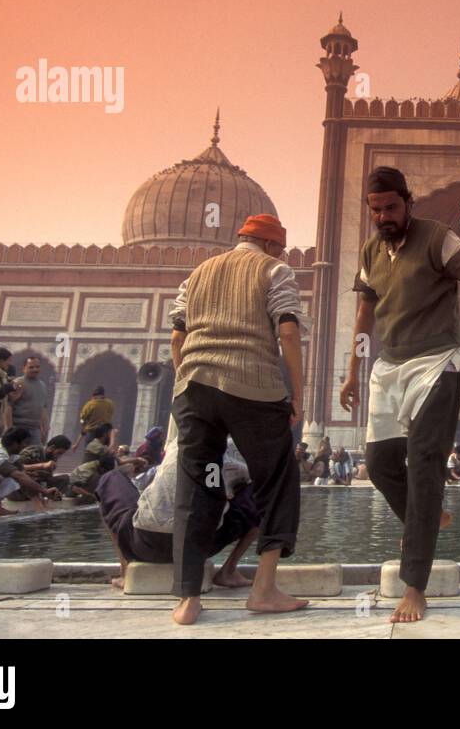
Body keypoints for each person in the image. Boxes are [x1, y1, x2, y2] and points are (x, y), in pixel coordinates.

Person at [341, 166, 460, 623]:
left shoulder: (438, 237)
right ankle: (427, 518)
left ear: (409, 202)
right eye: (376, 209)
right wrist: (352, 371)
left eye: (391, 206)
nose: (384, 215)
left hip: (439, 363)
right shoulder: (372, 251)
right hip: (390, 367)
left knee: (425, 462)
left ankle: (416, 586)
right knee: (379, 463)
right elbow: (363, 317)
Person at [168, 212, 307, 625]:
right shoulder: (274, 269)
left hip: (195, 388)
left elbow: (178, 335)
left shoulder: (199, 272)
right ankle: (264, 590)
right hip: (253, 390)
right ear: (272, 245)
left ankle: (189, 599)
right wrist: (296, 392)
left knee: (197, 487)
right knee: (277, 482)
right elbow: (287, 331)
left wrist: (186, 377)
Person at [98, 421, 259, 591]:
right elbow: (234, 482)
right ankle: (228, 570)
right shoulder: (231, 452)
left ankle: (125, 572)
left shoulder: (178, 442)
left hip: (144, 542)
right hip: (203, 545)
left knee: (109, 479)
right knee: (261, 492)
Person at [0, 427, 62, 515]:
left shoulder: (8, 448)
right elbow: (19, 476)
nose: (26, 446)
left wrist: (42, 492)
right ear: (15, 443)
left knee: (19, 476)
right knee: (16, 476)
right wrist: (44, 491)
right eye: (25, 443)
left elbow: (22, 472)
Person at [9, 355, 49, 447]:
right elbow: (8, 407)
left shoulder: (42, 386)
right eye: (31, 367)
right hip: (18, 427)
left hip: (35, 429)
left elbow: (43, 408)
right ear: (24, 368)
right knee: (16, 455)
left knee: (34, 455)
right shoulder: (18, 383)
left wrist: (45, 427)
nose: (35, 369)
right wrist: (9, 429)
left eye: (37, 367)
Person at [73, 387, 115, 451]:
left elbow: (82, 418)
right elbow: (111, 414)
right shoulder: (110, 403)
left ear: (94, 395)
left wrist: (83, 423)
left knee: (89, 452)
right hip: (106, 432)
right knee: (105, 452)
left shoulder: (90, 404)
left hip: (92, 432)